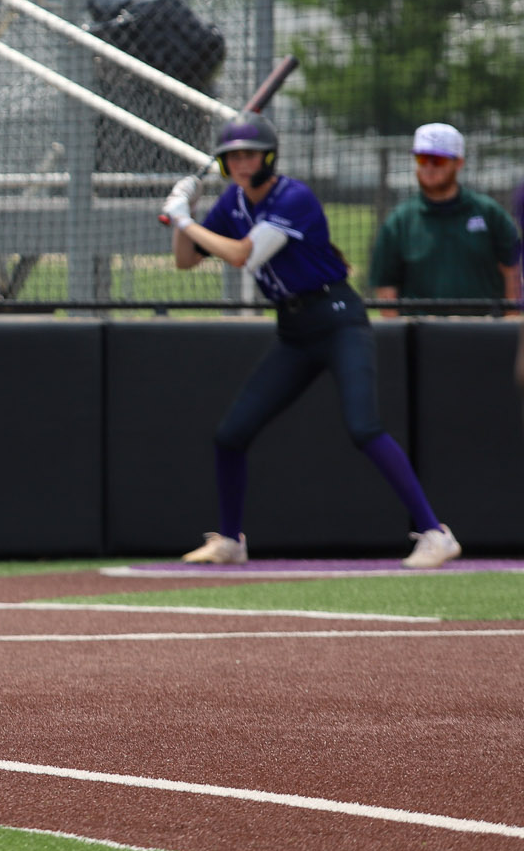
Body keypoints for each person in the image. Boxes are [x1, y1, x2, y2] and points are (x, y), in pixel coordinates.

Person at [162, 112, 461, 569]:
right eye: (233, 157)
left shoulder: (292, 196)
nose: (241, 164)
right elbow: (186, 261)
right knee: (231, 434)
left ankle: (436, 534)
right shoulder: (233, 203)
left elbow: (243, 255)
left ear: (268, 157)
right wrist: (182, 212)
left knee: (364, 428)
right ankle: (230, 540)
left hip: (338, 320)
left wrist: (185, 219)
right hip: (295, 330)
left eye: (250, 155)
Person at [367, 122, 520, 314]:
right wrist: (398, 331)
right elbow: (386, 288)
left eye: (438, 160)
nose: (429, 167)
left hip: (484, 327)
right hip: (420, 329)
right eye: (422, 159)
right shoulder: (399, 221)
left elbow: (512, 270)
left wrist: (510, 320)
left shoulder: (488, 212)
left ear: (459, 163)